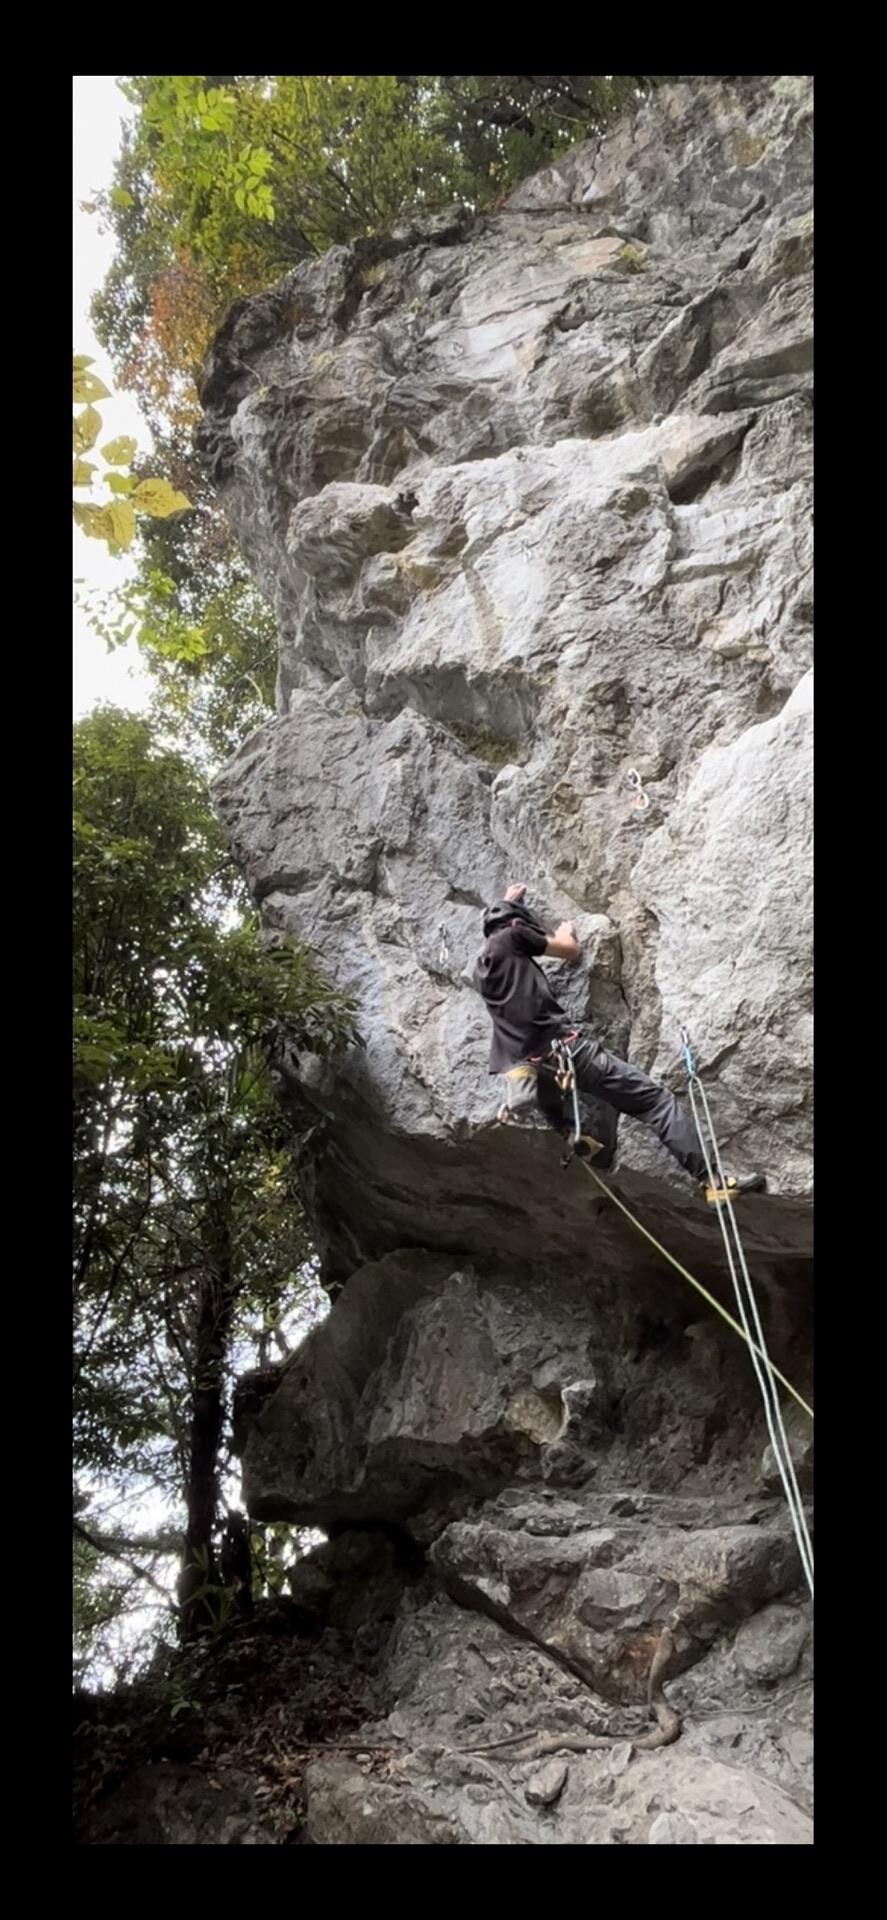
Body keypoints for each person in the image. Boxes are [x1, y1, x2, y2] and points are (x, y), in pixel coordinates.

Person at [474, 884, 765, 1203]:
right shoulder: (514, 934)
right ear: (516, 923)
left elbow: (498, 939)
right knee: (656, 1102)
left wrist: (506, 903)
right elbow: (569, 950)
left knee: (553, 1103)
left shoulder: (481, 969)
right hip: (568, 1052)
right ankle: (712, 1180)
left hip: (528, 1065)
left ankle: (569, 1130)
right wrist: (565, 932)